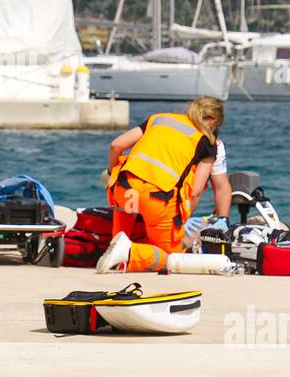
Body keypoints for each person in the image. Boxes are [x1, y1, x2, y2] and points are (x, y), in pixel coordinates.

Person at [95, 96, 232, 273]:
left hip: (124, 191)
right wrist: (178, 222)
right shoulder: (206, 141)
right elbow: (195, 192)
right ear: (213, 122)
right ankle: (130, 252)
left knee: (123, 233)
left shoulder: (159, 119)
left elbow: (116, 145)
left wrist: (111, 174)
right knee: (172, 258)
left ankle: (118, 243)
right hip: (156, 199)